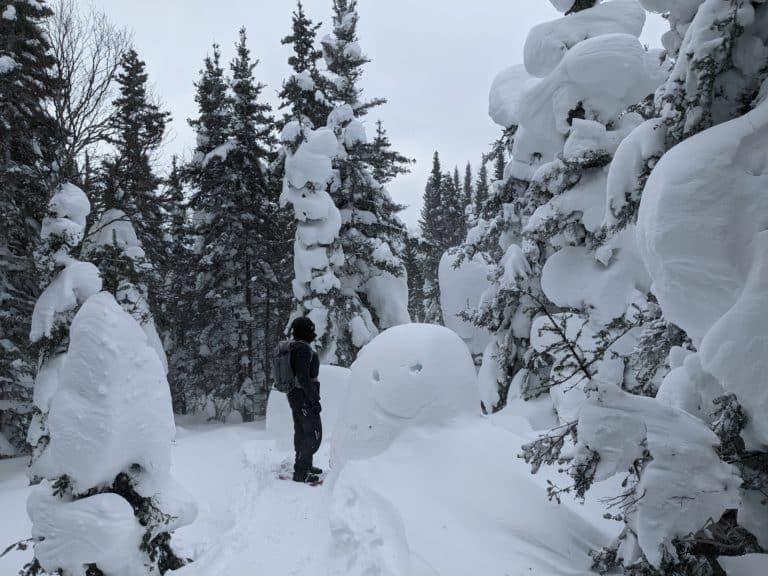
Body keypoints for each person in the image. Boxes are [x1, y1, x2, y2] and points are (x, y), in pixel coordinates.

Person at [288, 317, 323, 483]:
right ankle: (301, 473)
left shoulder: (296, 347)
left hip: (297, 396)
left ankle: (303, 466)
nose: (313, 332)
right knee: (313, 435)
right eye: (311, 329)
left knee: (302, 432)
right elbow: (303, 378)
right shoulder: (301, 349)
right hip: (303, 398)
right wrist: (314, 399)